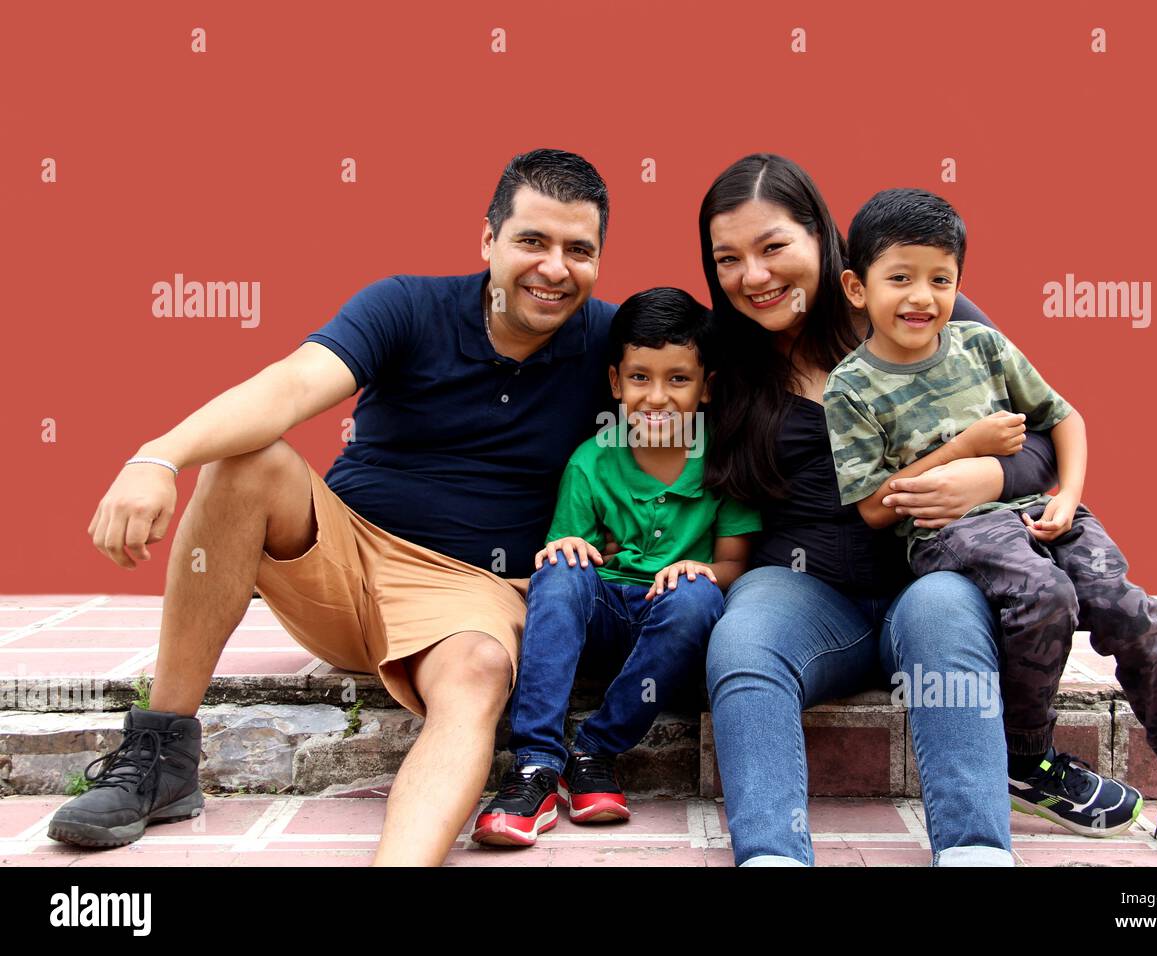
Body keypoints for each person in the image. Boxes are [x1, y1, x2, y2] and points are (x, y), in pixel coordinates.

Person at [50, 148, 622, 866]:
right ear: (489, 240)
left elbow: (707, 414)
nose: (554, 268)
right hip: (341, 562)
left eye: (580, 250)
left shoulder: (612, 342)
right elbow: (291, 387)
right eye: (532, 241)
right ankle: (161, 754)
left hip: (471, 601)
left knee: (478, 668)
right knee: (249, 463)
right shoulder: (406, 306)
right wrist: (158, 455)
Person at [824, 187, 1157, 851]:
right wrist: (965, 448)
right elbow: (874, 507)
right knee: (1044, 594)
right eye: (898, 278)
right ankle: (1025, 755)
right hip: (949, 533)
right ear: (856, 286)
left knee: (1128, 608)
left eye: (940, 279)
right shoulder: (851, 387)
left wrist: (1069, 495)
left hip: (1043, 511)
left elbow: (1063, 417)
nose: (921, 297)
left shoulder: (982, 347)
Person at [699, 153, 1062, 866]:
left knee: (946, 613)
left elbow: (1042, 433)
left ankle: (975, 850)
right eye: (728, 259)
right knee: (743, 641)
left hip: (926, 577)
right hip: (802, 592)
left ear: (825, 242)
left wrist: (989, 474)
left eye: (774, 247)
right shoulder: (726, 359)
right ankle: (770, 853)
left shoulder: (921, 309)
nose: (754, 276)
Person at [472, 288, 760, 846]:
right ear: (614, 383)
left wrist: (698, 571)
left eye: (678, 379)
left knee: (698, 596)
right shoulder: (591, 461)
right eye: (639, 378)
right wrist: (568, 552)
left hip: (672, 624)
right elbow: (564, 556)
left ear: (707, 387)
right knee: (558, 571)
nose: (657, 397)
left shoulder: (725, 462)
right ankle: (534, 763)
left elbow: (734, 565)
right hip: (600, 615)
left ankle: (595, 751)